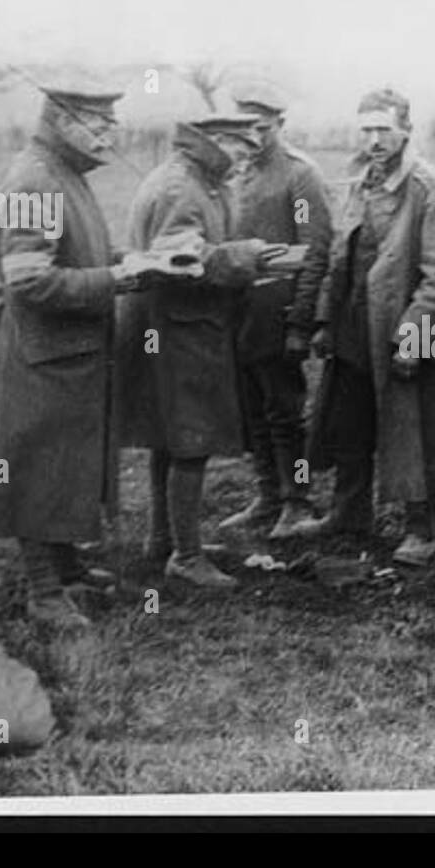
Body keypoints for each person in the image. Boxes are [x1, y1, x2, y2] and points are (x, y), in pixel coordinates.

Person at [0, 82, 183, 629]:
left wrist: (143, 261)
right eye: (100, 123)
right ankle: (43, 591)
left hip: (69, 351)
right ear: (61, 121)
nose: (111, 134)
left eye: (112, 122)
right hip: (41, 353)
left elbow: (82, 254)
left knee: (66, 465)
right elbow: (29, 283)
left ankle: (66, 568)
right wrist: (118, 277)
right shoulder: (36, 180)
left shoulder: (64, 175)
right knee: (36, 466)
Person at [297, 87, 435, 567]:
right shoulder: (358, 183)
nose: (374, 139)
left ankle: (424, 528)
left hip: (405, 334)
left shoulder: (432, 190)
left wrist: (413, 338)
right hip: (355, 331)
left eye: (384, 129)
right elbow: (340, 258)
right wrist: (325, 322)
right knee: (350, 424)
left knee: (415, 428)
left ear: (406, 131)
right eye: (367, 128)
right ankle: (349, 513)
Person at [116, 116, 288, 587]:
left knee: (169, 436)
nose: (248, 154)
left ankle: (165, 538)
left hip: (170, 326)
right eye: (241, 145)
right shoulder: (182, 189)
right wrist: (246, 256)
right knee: (190, 439)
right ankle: (186, 556)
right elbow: (180, 264)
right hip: (177, 329)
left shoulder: (197, 179)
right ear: (216, 143)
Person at [216, 81, 334, 540]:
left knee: (285, 410)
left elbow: (315, 251)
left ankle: (297, 499)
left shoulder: (299, 176)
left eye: (261, 128)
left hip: (278, 310)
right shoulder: (235, 172)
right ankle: (267, 494)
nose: (252, 137)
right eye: (244, 128)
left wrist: (300, 321)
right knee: (252, 409)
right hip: (238, 310)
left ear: (280, 124)